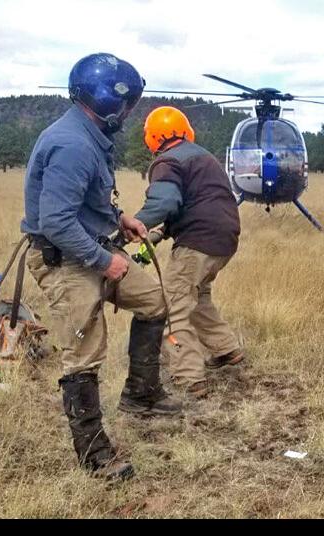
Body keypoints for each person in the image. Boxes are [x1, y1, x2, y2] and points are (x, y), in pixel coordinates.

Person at [20, 53, 179, 481]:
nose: (130, 114)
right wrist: (103, 261)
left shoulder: (89, 134)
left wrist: (119, 218)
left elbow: (88, 200)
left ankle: (141, 395)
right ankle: (94, 456)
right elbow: (55, 222)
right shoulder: (72, 144)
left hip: (96, 246)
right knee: (84, 354)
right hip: (69, 258)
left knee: (153, 302)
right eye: (129, 105)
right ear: (111, 101)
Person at [131, 106, 246, 400]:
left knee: (172, 304)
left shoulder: (167, 161)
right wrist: (158, 234)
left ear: (153, 137)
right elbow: (194, 205)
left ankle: (188, 376)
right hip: (224, 239)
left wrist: (133, 226)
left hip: (197, 241)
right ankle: (226, 349)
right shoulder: (202, 156)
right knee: (198, 297)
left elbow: (166, 201)